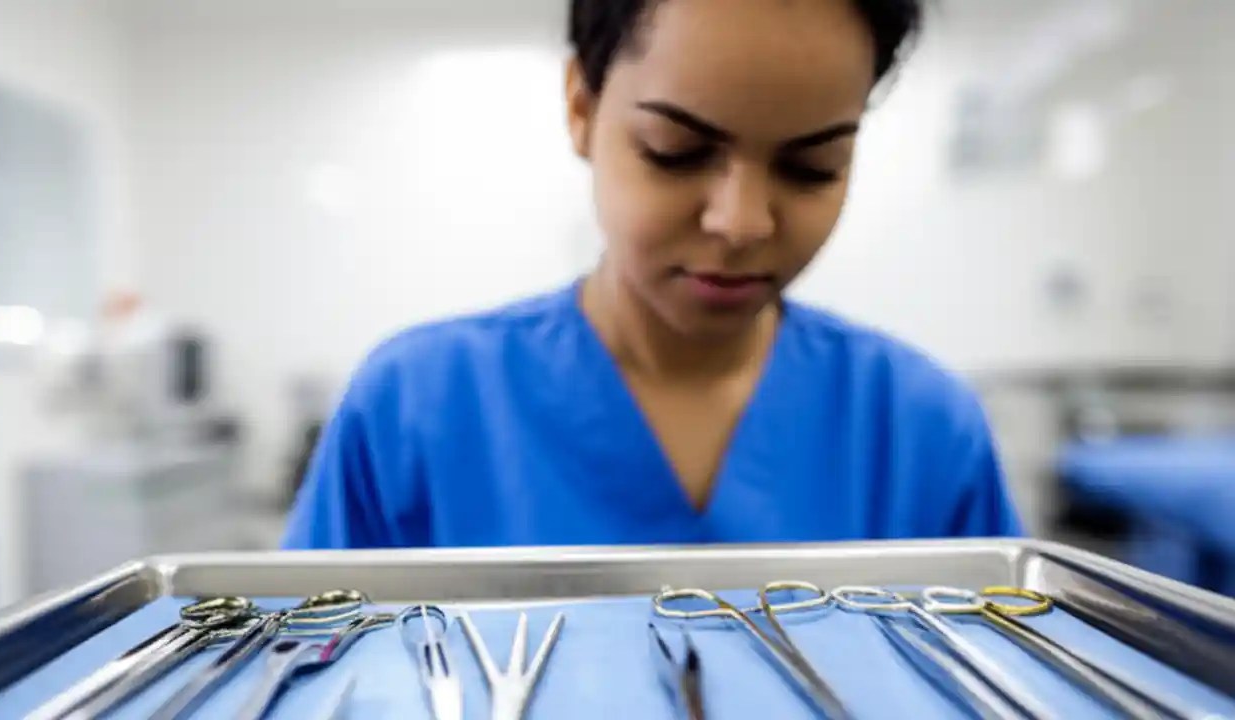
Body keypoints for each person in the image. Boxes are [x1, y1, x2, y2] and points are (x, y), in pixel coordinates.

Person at [282, 0, 1022, 550]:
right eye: (675, 150)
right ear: (581, 107)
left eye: (812, 166)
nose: (743, 223)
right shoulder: (416, 408)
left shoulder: (921, 430)